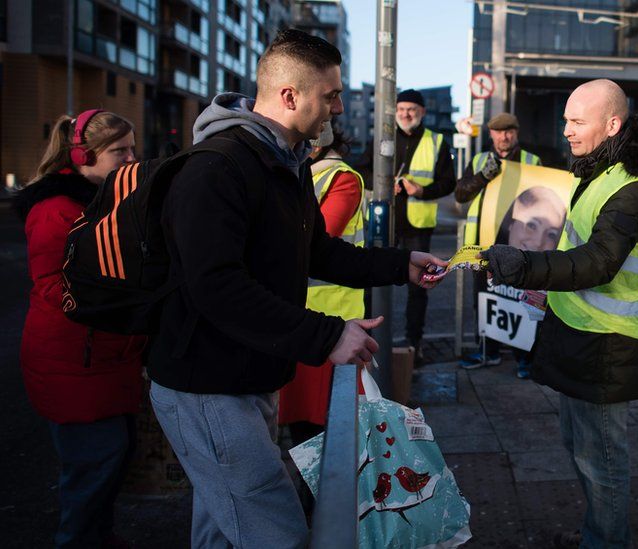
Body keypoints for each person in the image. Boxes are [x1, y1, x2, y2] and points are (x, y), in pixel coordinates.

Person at [146, 30, 447, 548]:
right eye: (329, 95)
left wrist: (402, 265)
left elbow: (318, 252)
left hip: (247, 373)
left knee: (221, 526)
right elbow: (215, 286)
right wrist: (328, 336)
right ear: (290, 96)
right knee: (279, 532)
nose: (336, 107)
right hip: (206, 382)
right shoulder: (218, 166)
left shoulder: (283, 163)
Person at [481, 79, 638, 548]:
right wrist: (549, 292)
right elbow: (579, 250)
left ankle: (606, 541)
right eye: (565, 119)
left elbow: (598, 261)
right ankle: (600, 533)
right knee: (579, 445)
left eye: (577, 121)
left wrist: (527, 267)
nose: (566, 130)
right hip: (579, 331)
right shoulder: (601, 170)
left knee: (602, 459)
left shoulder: (633, 186)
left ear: (612, 124)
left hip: (607, 343)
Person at [14, 109, 143, 548]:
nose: (131, 158)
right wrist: (115, 301)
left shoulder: (103, 199)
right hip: (75, 358)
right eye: (119, 151)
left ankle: (97, 537)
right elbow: (52, 284)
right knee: (94, 464)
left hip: (102, 354)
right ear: (83, 155)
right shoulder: (56, 209)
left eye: (132, 148)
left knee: (111, 458)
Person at [279, 119, 366, 445]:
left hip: (330, 317)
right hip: (297, 313)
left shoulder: (342, 178)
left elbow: (319, 241)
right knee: (302, 426)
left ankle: (319, 495)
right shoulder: (297, 172)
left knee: (319, 426)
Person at [358, 89, 456, 363]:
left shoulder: (437, 142)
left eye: (411, 109)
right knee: (374, 281)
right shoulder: (382, 138)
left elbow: (448, 183)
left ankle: (415, 343)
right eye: (401, 109)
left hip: (417, 227)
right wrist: (381, 182)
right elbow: (361, 170)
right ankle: (369, 341)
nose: (405, 114)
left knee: (419, 288)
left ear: (422, 113)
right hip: (383, 222)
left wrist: (421, 190)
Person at [456, 112, 543, 375]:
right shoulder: (480, 160)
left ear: (516, 133)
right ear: (491, 134)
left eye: (509, 132)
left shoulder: (532, 161)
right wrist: (482, 176)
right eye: (498, 132)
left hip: (519, 244)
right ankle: (488, 351)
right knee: (484, 298)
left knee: (522, 299)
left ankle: (524, 357)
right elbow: (461, 194)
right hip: (484, 243)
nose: (504, 137)